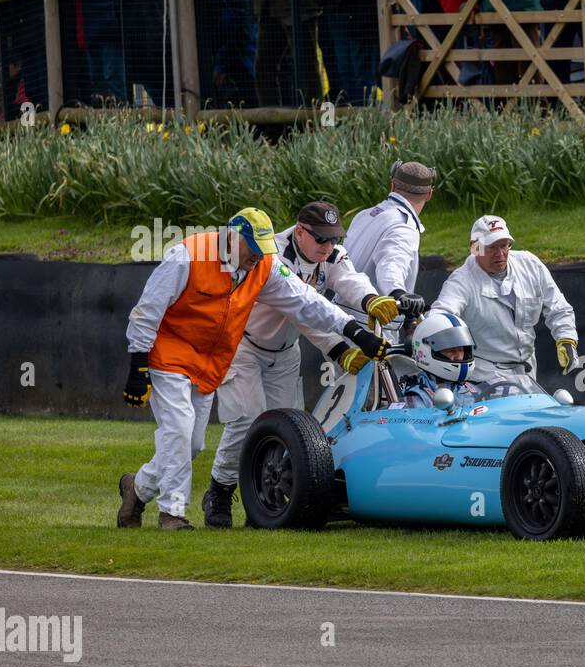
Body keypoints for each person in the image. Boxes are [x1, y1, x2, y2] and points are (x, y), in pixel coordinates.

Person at [117, 207, 389, 531]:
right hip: (170, 355)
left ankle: (138, 489)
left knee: (191, 445)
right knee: (179, 429)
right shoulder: (187, 255)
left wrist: (353, 331)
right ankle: (173, 514)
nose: (258, 257)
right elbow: (147, 310)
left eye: (264, 250)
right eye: (253, 248)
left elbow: (306, 302)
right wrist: (138, 364)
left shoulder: (263, 265)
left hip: (210, 363)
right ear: (233, 237)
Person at [203, 201, 400, 527]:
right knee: (245, 422)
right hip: (244, 346)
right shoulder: (272, 254)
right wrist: (337, 349)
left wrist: (370, 299)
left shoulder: (332, 254)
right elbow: (301, 309)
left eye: (334, 238)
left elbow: (349, 279)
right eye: (321, 239)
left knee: (285, 433)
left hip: (285, 352)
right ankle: (219, 490)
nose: (329, 246)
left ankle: (265, 504)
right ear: (299, 231)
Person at [430, 214, 578, 386]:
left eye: (503, 246)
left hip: (528, 373)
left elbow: (558, 307)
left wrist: (566, 338)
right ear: (475, 248)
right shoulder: (461, 282)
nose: (499, 254)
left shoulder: (530, 264)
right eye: (491, 247)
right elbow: (441, 315)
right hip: (483, 379)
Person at [345, 159, 434, 340]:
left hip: (341, 318)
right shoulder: (404, 226)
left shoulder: (364, 215)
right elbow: (391, 263)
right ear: (429, 194)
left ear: (392, 185)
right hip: (372, 325)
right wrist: (398, 293)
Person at [224, 0, 322, 107]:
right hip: (267, 6)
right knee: (264, 69)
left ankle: (318, 125)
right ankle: (274, 129)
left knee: (306, 67)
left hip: (297, 4)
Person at [399, 311, 480, 408]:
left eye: (461, 350)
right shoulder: (417, 397)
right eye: (450, 350)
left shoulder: (472, 390)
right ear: (425, 351)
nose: (459, 357)